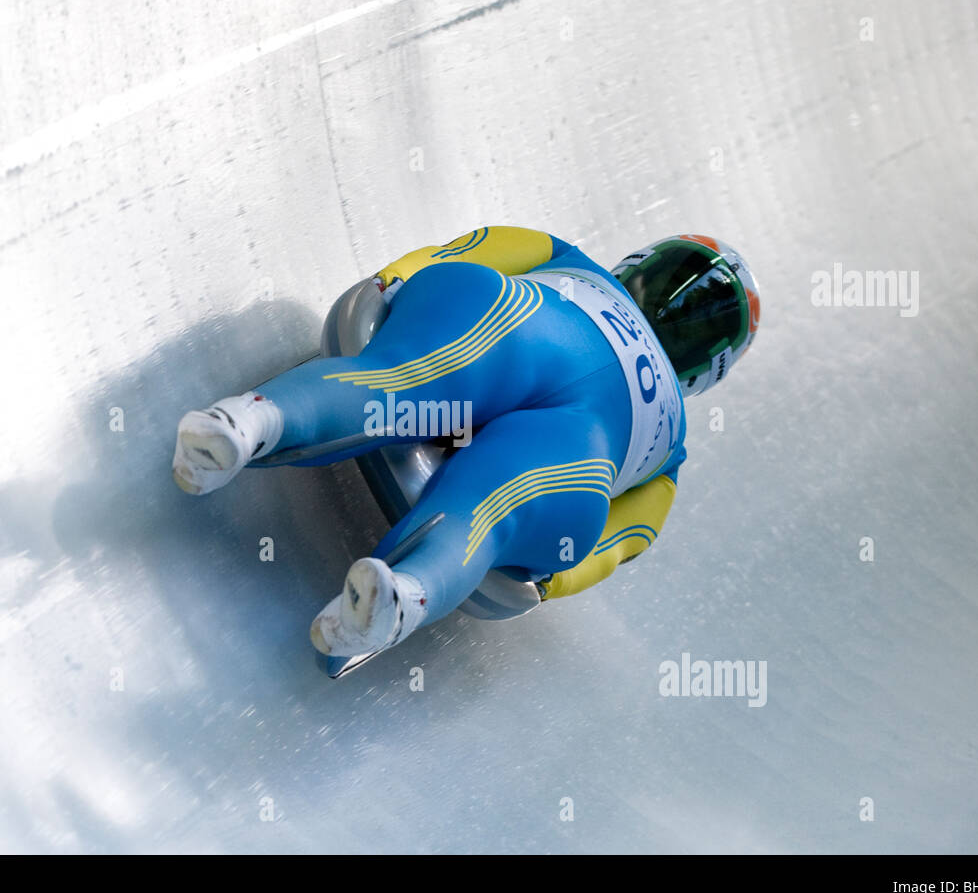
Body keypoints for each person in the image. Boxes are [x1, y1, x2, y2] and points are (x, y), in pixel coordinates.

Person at [173, 227, 760, 657]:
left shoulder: (569, 257)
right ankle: (405, 598)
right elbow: (618, 541)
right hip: (582, 444)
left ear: (641, 263)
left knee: (400, 382)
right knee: (494, 510)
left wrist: (391, 282)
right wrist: (548, 583)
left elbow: (470, 250)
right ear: (708, 371)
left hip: (517, 324)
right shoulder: (667, 455)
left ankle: (246, 424)